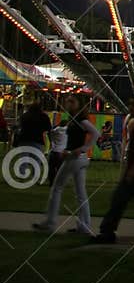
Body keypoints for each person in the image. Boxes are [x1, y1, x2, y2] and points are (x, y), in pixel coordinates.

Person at [90, 94, 134, 244]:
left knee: (121, 200)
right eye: (130, 104)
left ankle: (107, 232)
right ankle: (108, 231)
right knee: (123, 201)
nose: (130, 107)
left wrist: (132, 170)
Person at [33, 95, 98, 234]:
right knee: (81, 193)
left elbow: (96, 133)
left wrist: (81, 149)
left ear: (79, 105)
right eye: (67, 101)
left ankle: (50, 222)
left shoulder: (81, 120)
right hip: (79, 158)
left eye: (72, 101)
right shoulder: (74, 119)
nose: (68, 103)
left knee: (57, 188)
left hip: (74, 158)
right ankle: (84, 226)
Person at [47, 118, 67, 186]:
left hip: (53, 151)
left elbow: (49, 132)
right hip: (61, 152)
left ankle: (51, 182)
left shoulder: (54, 131)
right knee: (60, 169)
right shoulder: (67, 131)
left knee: (51, 168)